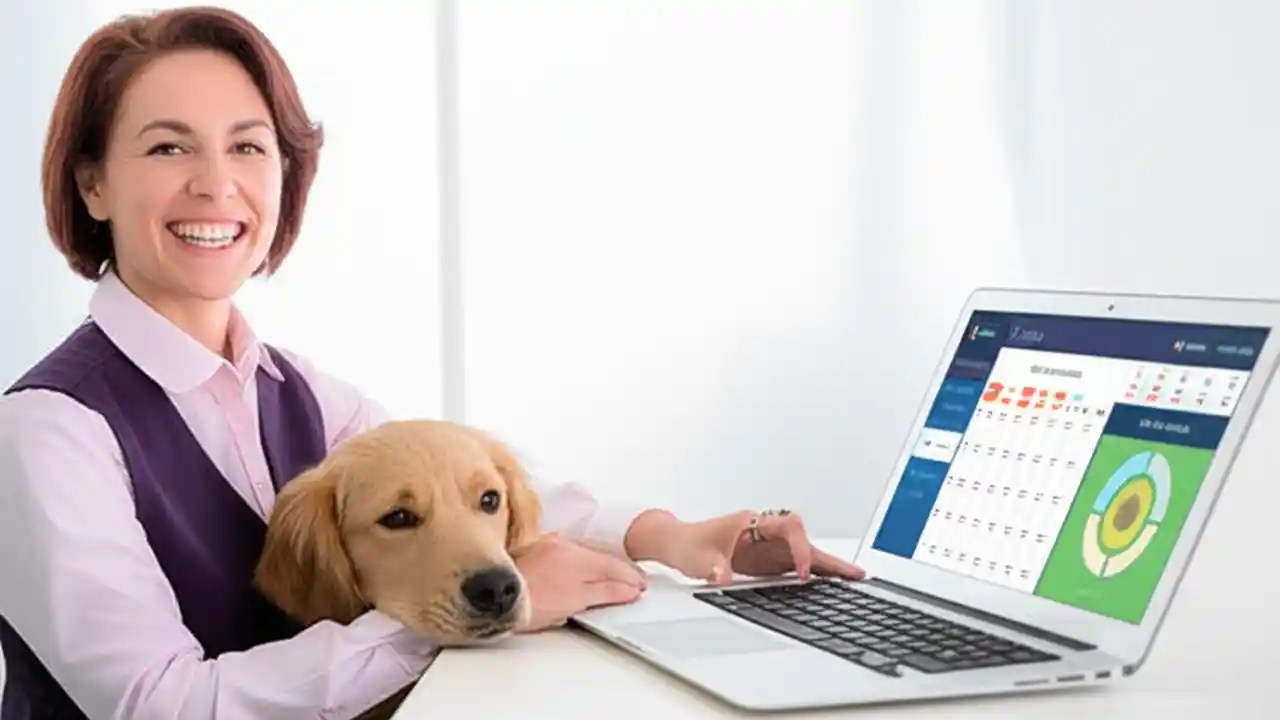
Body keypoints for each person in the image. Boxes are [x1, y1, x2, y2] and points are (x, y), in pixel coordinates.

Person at [0, 6, 865, 719]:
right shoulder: (46, 429)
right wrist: (459, 614)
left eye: (249, 146)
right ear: (92, 186)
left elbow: (488, 489)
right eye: (167, 147)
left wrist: (682, 539)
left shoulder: (295, 391)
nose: (217, 184)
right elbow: (158, 706)